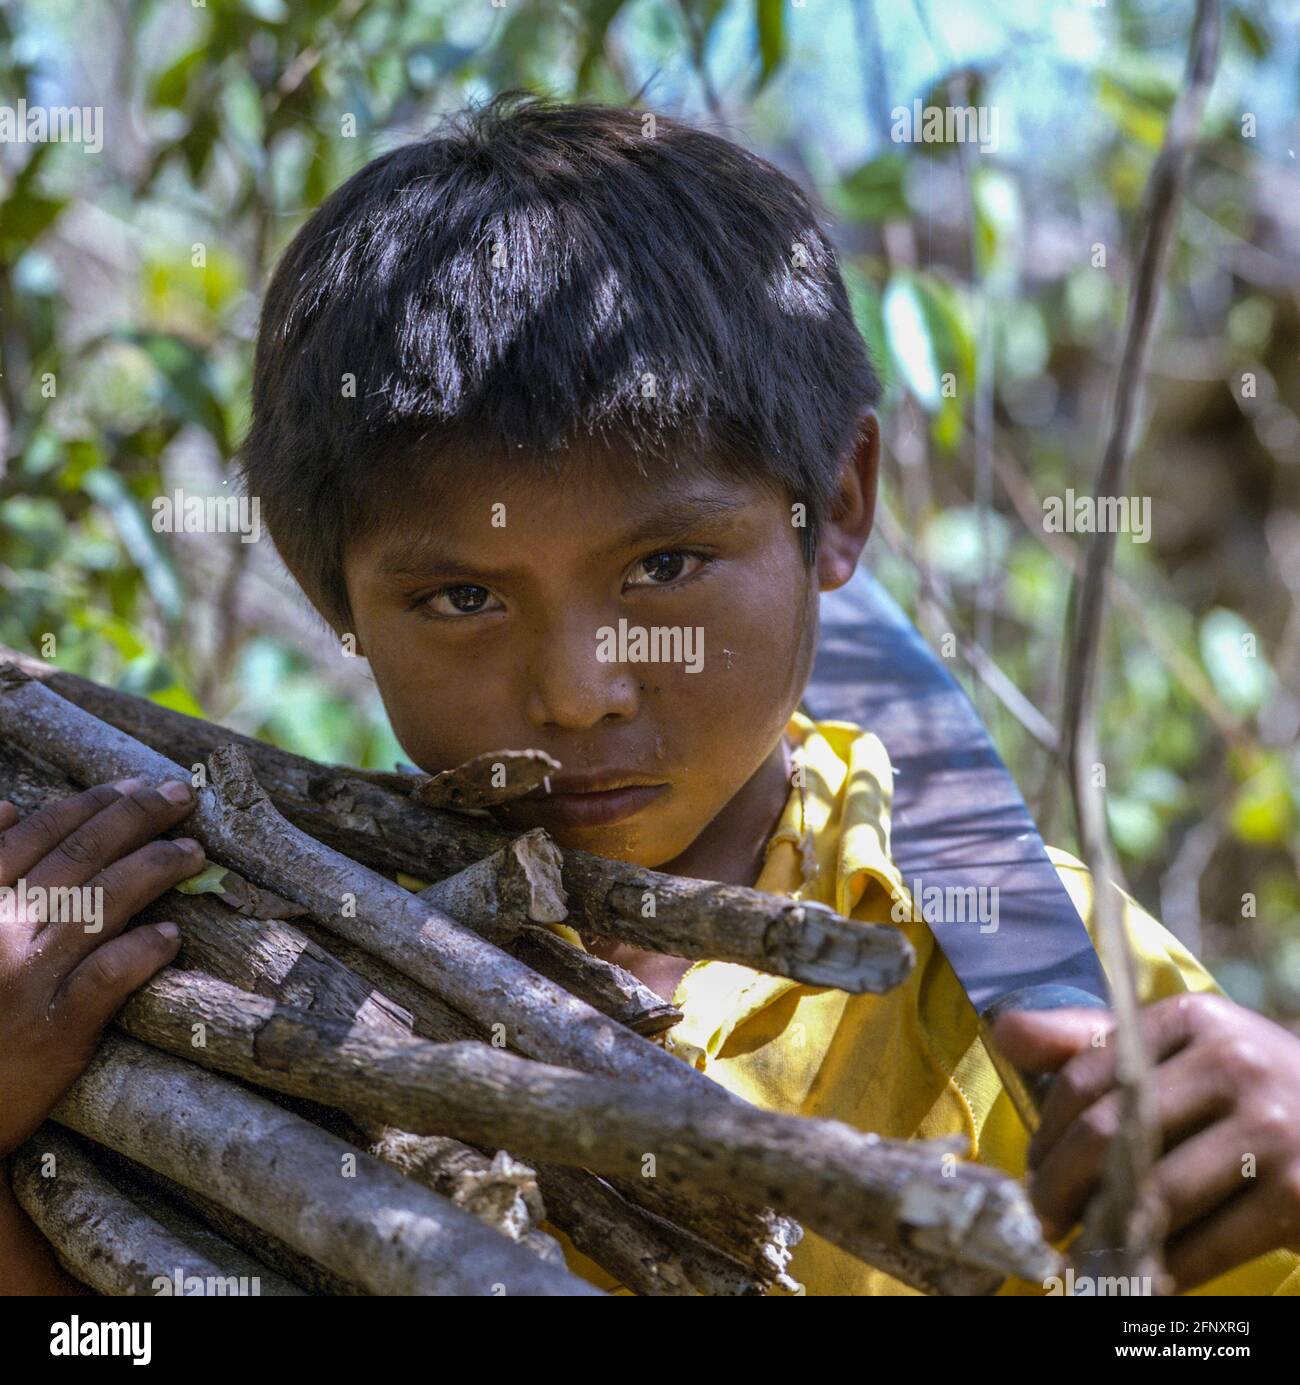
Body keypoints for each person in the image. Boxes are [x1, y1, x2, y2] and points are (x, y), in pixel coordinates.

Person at [3, 93, 1297, 1296]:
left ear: (837, 502)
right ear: (328, 588)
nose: (575, 691)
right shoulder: (241, 966)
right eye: (462, 598)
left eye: (665, 564)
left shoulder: (1030, 960)